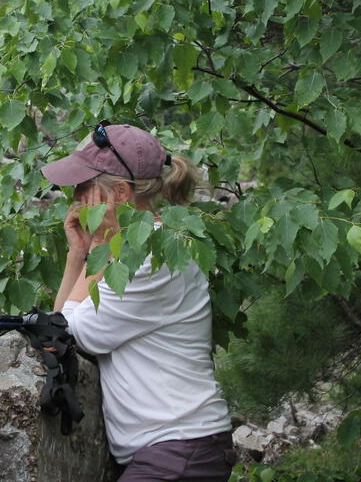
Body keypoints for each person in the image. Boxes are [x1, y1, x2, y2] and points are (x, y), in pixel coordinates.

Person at [44, 121, 236, 482]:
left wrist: (98, 247)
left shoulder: (153, 256)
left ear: (118, 194)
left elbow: (77, 332)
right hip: (171, 452)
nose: (74, 200)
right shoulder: (131, 251)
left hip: (179, 451)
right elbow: (56, 332)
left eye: (83, 189)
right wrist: (78, 257)